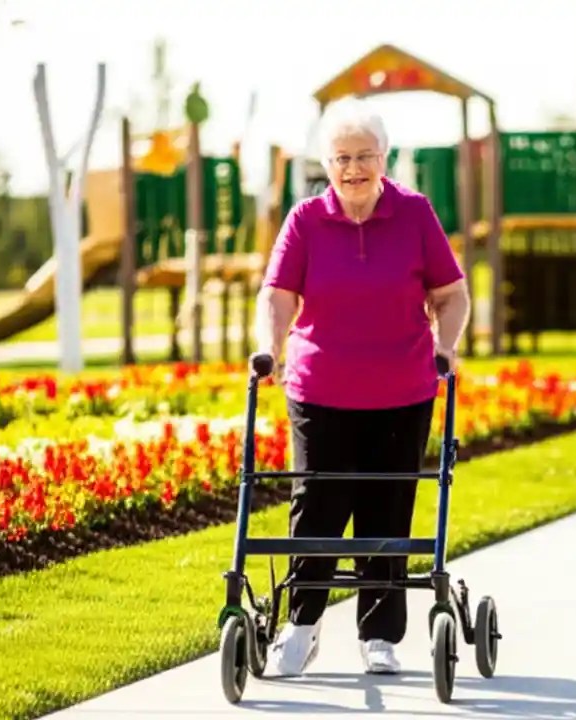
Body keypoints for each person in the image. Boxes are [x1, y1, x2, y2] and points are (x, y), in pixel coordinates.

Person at [254, 97, 471, 677]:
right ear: (326, 162)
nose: (353, 168)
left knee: (388, 504)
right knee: (317, 505)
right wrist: (268, 349)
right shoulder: (305, 220)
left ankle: (380, 636)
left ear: (385, 158)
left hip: (403, 387)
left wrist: (446, 348)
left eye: (364, 156)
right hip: (319, 387)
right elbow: (277, 296)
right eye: (341, 157)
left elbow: (451, 293)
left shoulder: (415, 213)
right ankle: (301, 628)